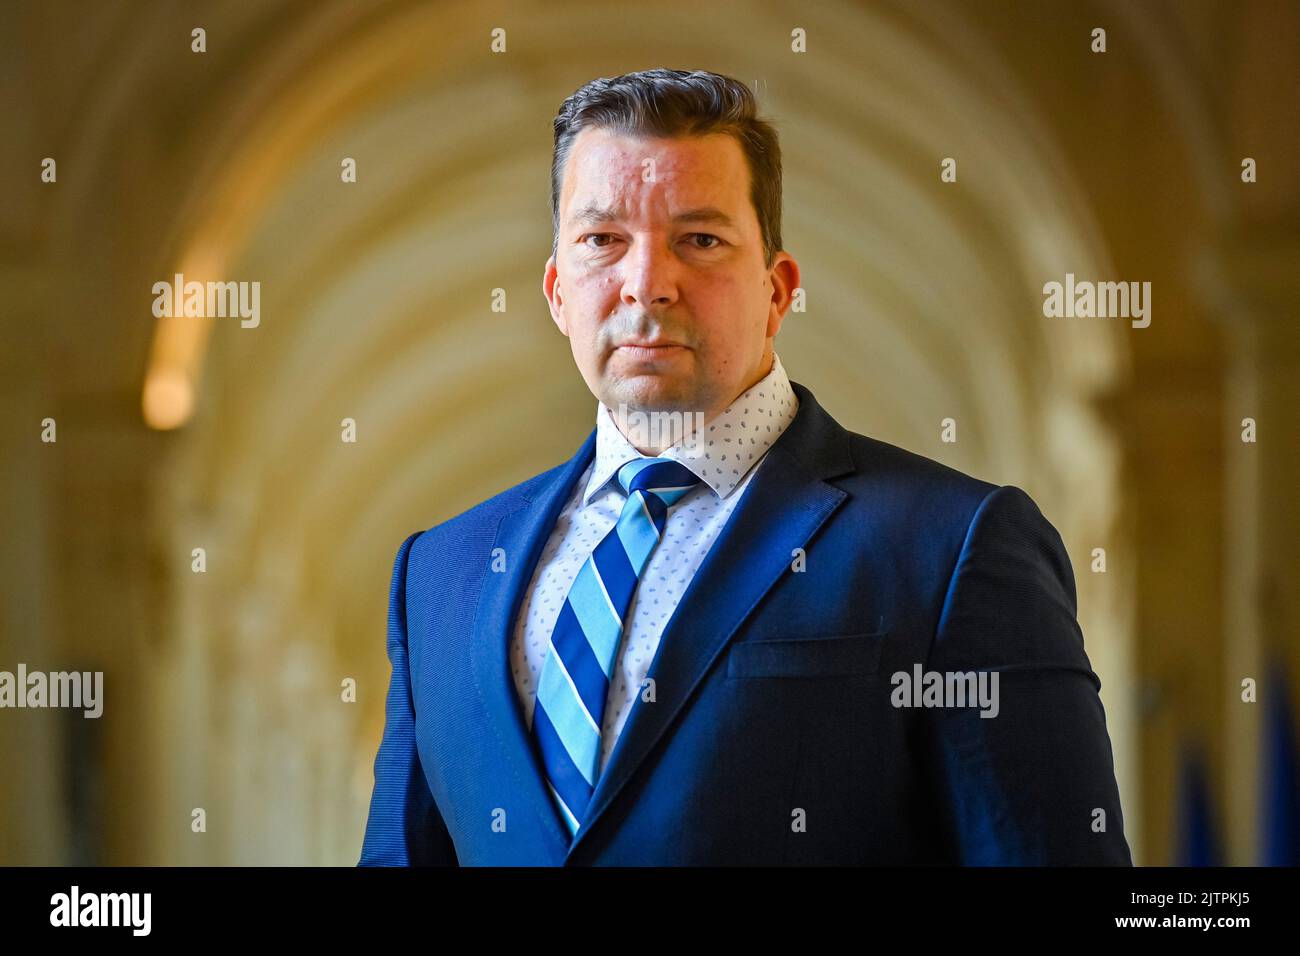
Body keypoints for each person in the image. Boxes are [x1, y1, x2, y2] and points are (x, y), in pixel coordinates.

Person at [358, 68, 1132, 865]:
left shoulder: (953, 548)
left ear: (777, 289)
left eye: (700, 239)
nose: (647, 283)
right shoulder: (440, 577)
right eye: (602, 241)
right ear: (558, 291)